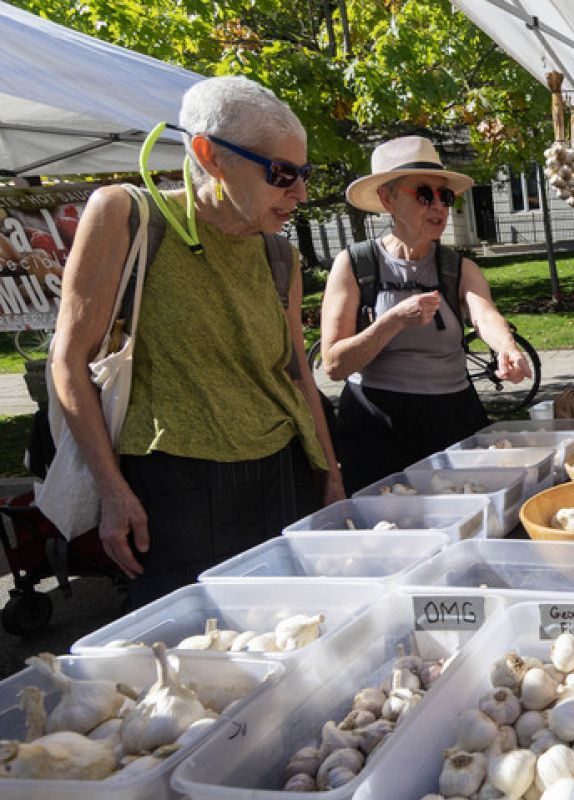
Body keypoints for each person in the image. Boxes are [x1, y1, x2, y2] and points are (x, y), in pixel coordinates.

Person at [49, 76, 343, 606]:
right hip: (174, 486)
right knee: (198, 650)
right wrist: (111, 490)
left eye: (304, 174)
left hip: (284, 472)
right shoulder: (126, 215)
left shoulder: (280, 255)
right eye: (281, 174)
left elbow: (298, 372)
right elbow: (67, 363)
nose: (299, 193)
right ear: (209, 155)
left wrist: (330, 473)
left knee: (294, 628)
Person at [320, 136, 533, 494]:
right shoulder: (355, 265)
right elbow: (334, 364)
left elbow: (485, 314)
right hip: (376, 425)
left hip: (452, 418)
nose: (439, 206)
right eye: (424, 194)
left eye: (444, 196)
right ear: (388, 199)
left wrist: (508, 349)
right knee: (389, 532)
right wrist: (393, 321)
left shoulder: (456, 267)